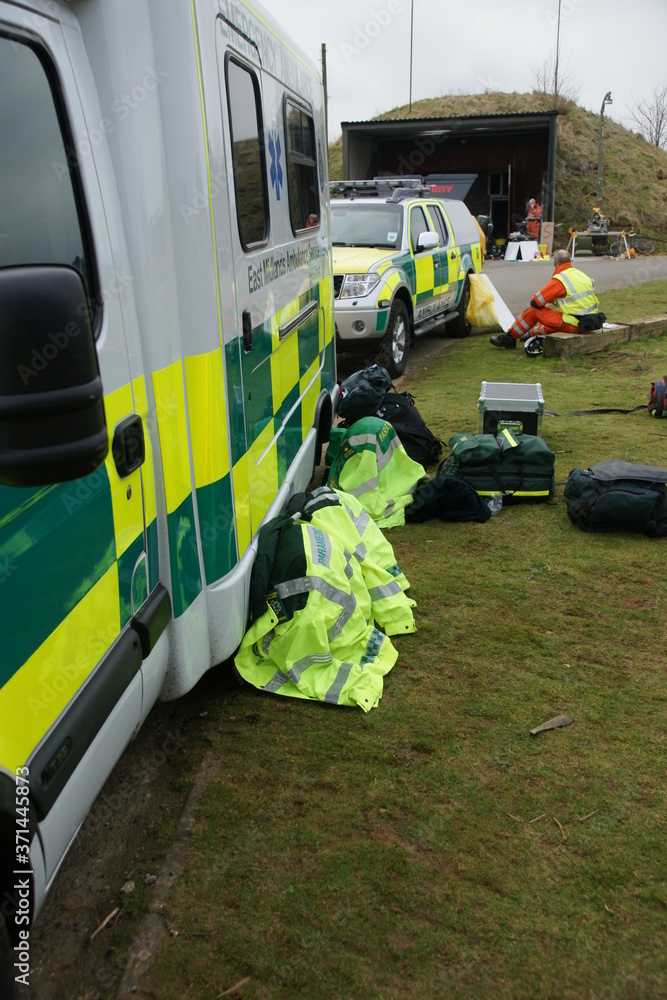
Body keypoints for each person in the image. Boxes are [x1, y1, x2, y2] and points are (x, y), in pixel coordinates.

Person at [490, 249, 601, 349]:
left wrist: (550, 299)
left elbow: (535, 302)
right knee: (554, 321)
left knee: (534, 312)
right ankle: (528, 334)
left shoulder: (561, 279)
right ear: (570, 261)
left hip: (573, 323)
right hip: (589, 321)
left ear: (554, 263)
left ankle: (510, 338)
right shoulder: (581, 275)